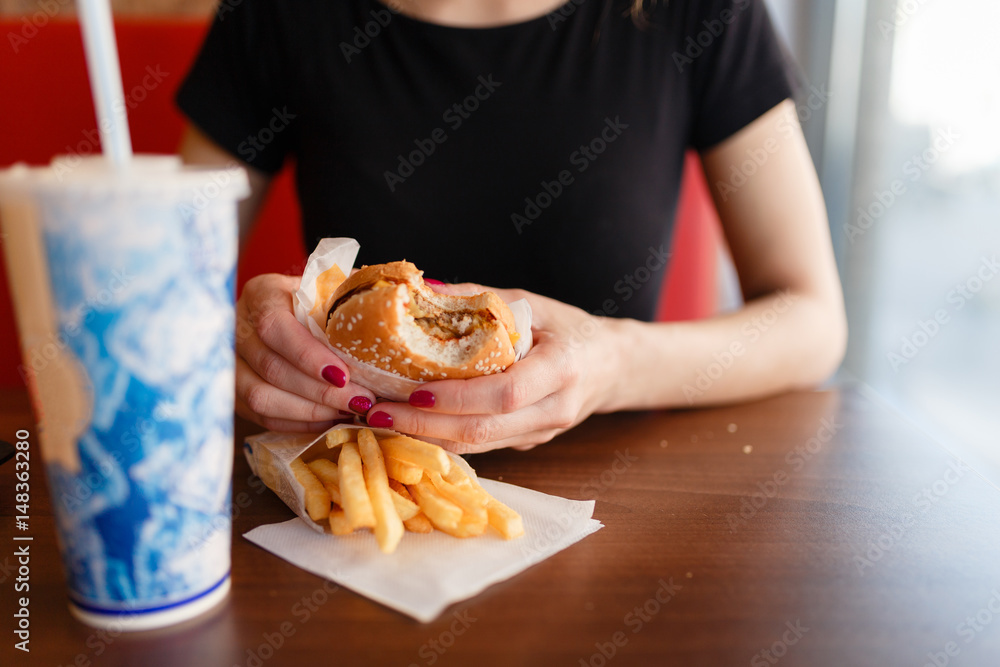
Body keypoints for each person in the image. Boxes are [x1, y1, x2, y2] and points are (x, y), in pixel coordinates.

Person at [177, 0, 847, 453]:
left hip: (620, 512)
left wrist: (611, 364)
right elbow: (162, 288)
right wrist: (244, 328)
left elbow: (813, 321)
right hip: (353, 507)